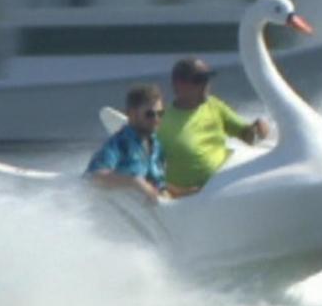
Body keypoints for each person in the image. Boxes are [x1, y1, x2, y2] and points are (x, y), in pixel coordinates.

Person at [157, 57, 269, 192]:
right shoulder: (159, 122)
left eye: (207, 79)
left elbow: (248, 136)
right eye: (199, 80)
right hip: (190, 202)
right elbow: (144, 173)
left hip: (226, 187)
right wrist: (179, 192)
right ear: (179, 85)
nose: (205, 85)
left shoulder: (214, 106)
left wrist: (259, 129)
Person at [85, 83, 188, 202]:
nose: (156, 119)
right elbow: (94, 177)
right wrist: (133, 182)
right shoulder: (119, 144)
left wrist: (189, 192)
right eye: (149, 114)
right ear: (132, 114)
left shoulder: (157, 145)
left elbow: (158, 183)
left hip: (156, 211)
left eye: (160, 114)